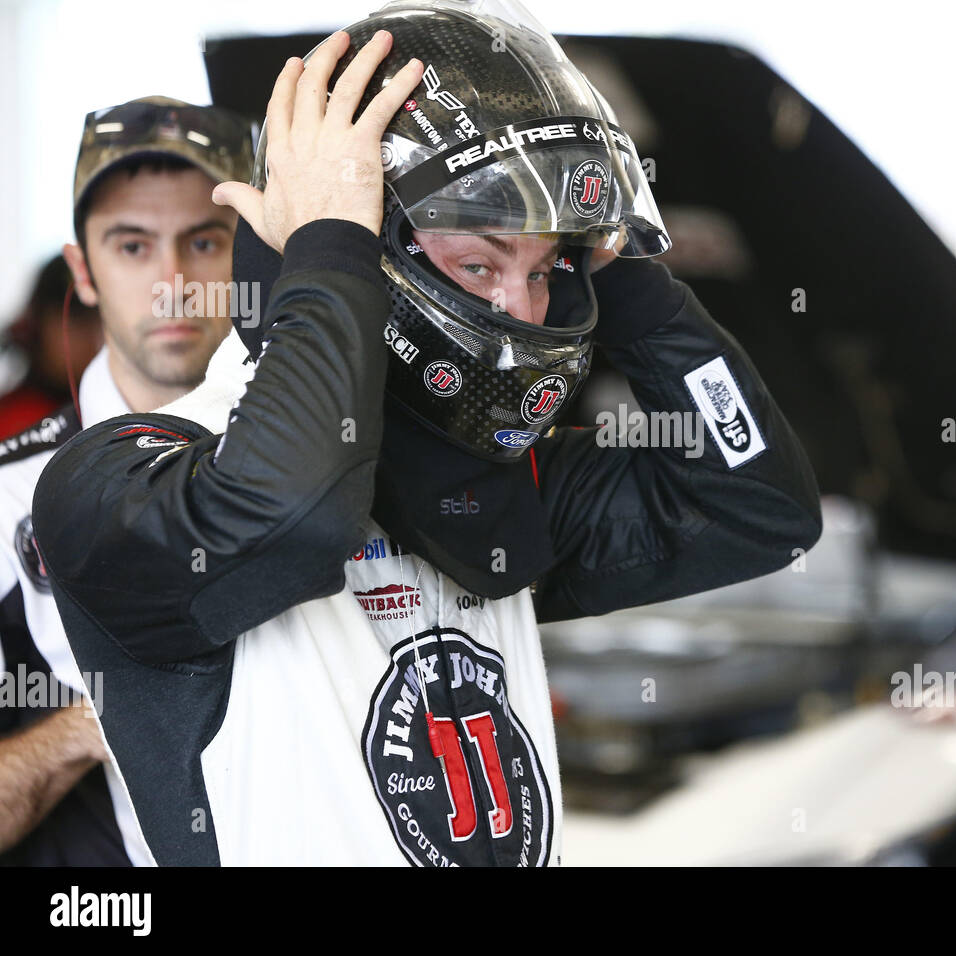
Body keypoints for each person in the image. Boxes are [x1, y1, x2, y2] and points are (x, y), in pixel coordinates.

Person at [32, 0, 821, 866]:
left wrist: (625, 280)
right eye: (478, 263)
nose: (520, 310)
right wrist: (325, 245)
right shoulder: (107, 481)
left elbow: (761, 509)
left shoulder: (483, 489)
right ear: (362, 252)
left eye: (543, 270)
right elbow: (295, 515)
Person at [0, 96, 253, 865]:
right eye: (133, 246)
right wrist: (94, 724)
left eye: (204, 241)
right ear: (82, 270)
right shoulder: (11, 497)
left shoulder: (335, 457)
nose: (174, 282)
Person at [0, 255, 102, 437]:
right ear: (36, 325)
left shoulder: (110, 410)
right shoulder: (14, 421)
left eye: (99, 320)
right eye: (75, 321)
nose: (92, 336)